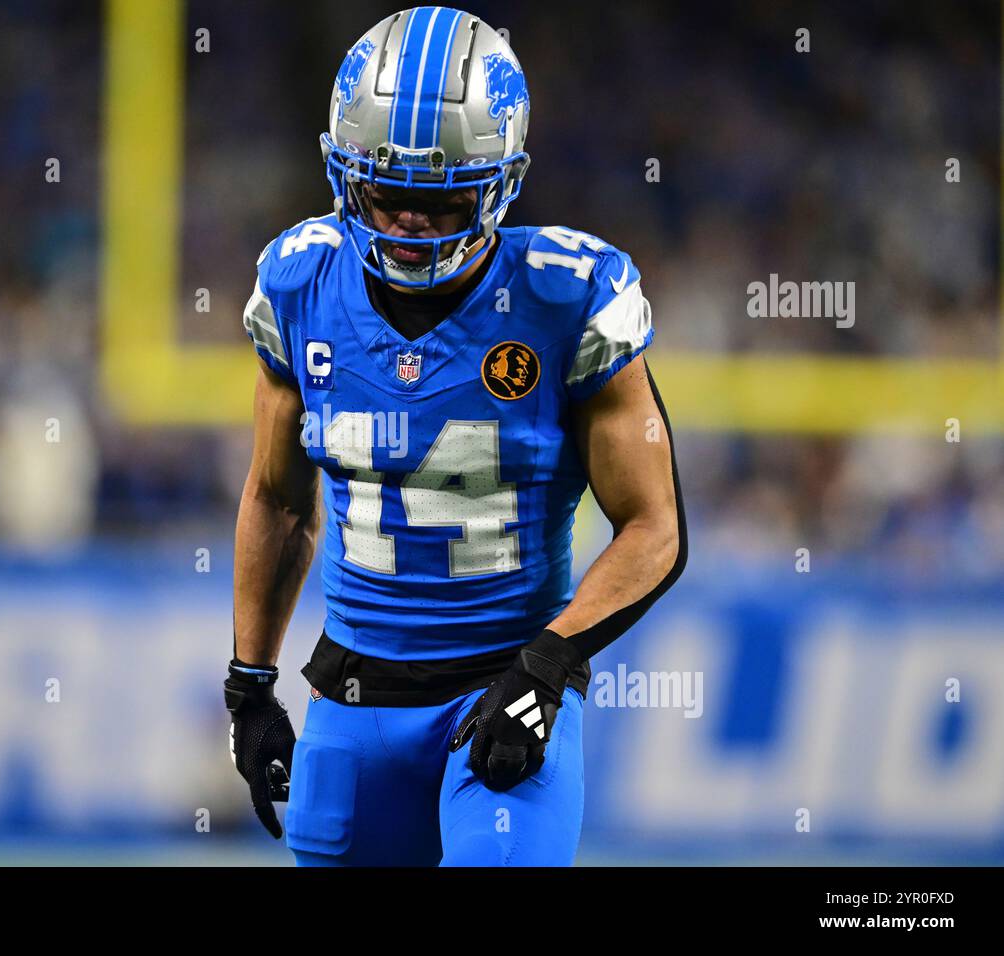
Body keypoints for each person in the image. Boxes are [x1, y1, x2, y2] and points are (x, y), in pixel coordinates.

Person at [225, 6, 686, 866]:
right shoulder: (299, 282)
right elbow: (277, 500)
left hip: (502, 687)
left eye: (439, 202)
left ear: (501, 182)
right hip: (352, 699)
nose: (408, 224)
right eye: (386, 195)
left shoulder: (566, 296)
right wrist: (250, 684)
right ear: (341, 173)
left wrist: (547, 667)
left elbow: (654, 527)